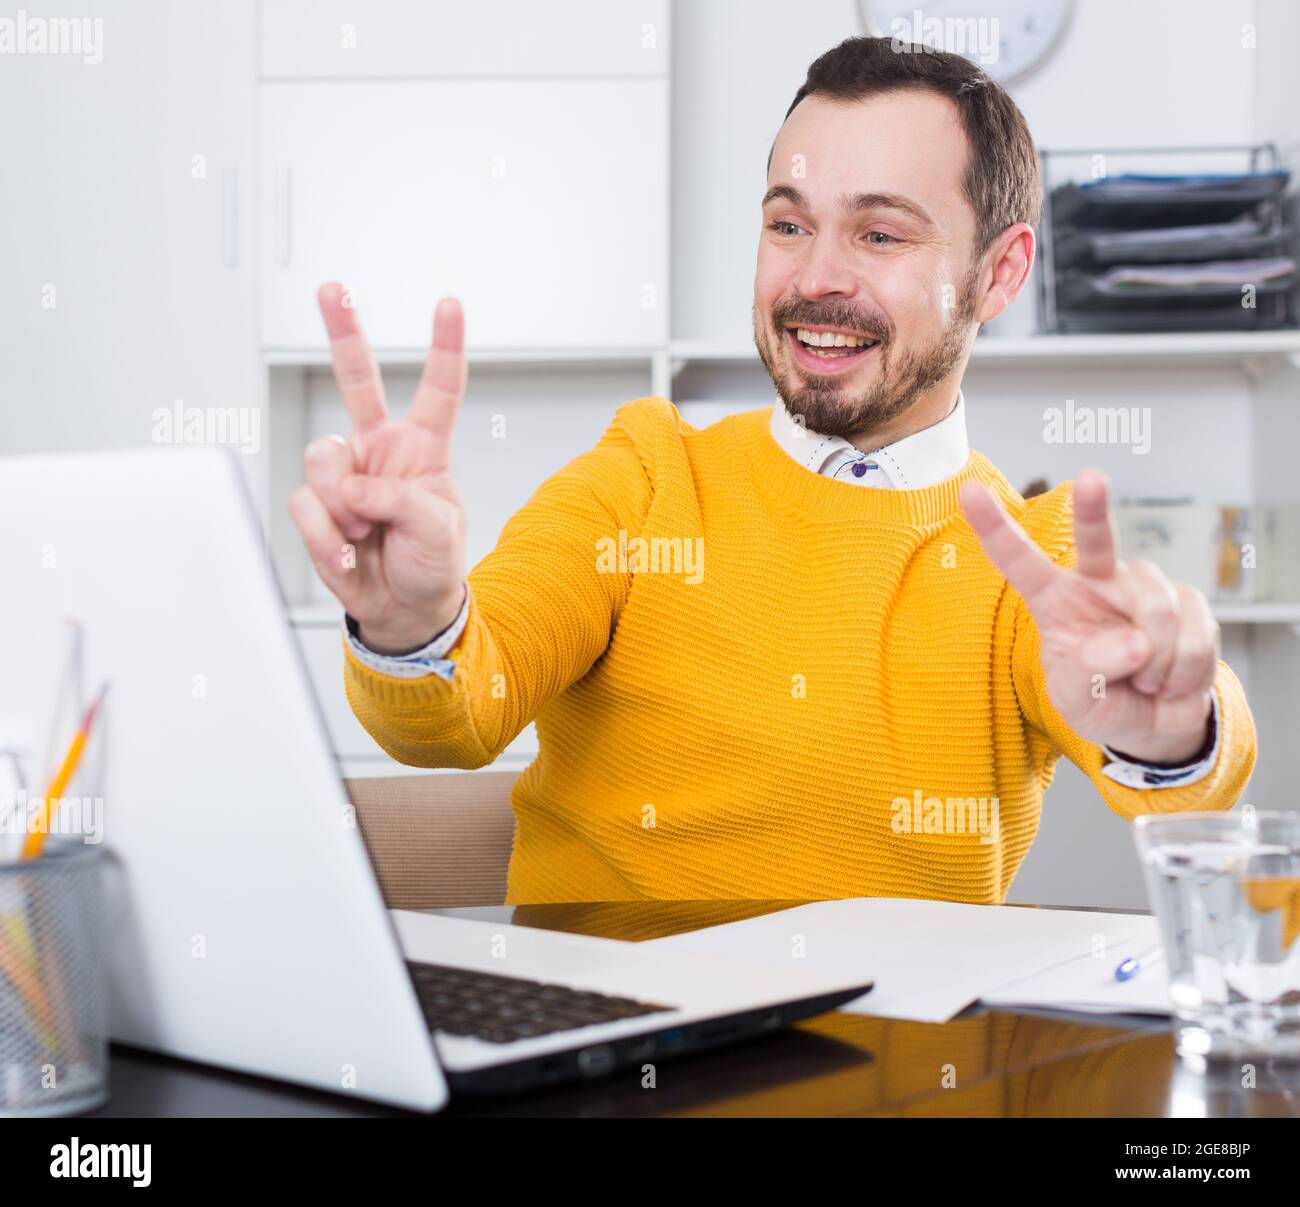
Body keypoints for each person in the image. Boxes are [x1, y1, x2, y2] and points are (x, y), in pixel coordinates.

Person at [289, 37, 1255, 904]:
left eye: (879, 234)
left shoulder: (1029, 560)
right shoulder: (646, 471)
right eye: (789, 225)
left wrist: (1172, 726)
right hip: (610, 1071)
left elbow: (1185, 777)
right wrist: (410, 623)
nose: (814, 279)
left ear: (1000, 275)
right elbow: (454, 721)